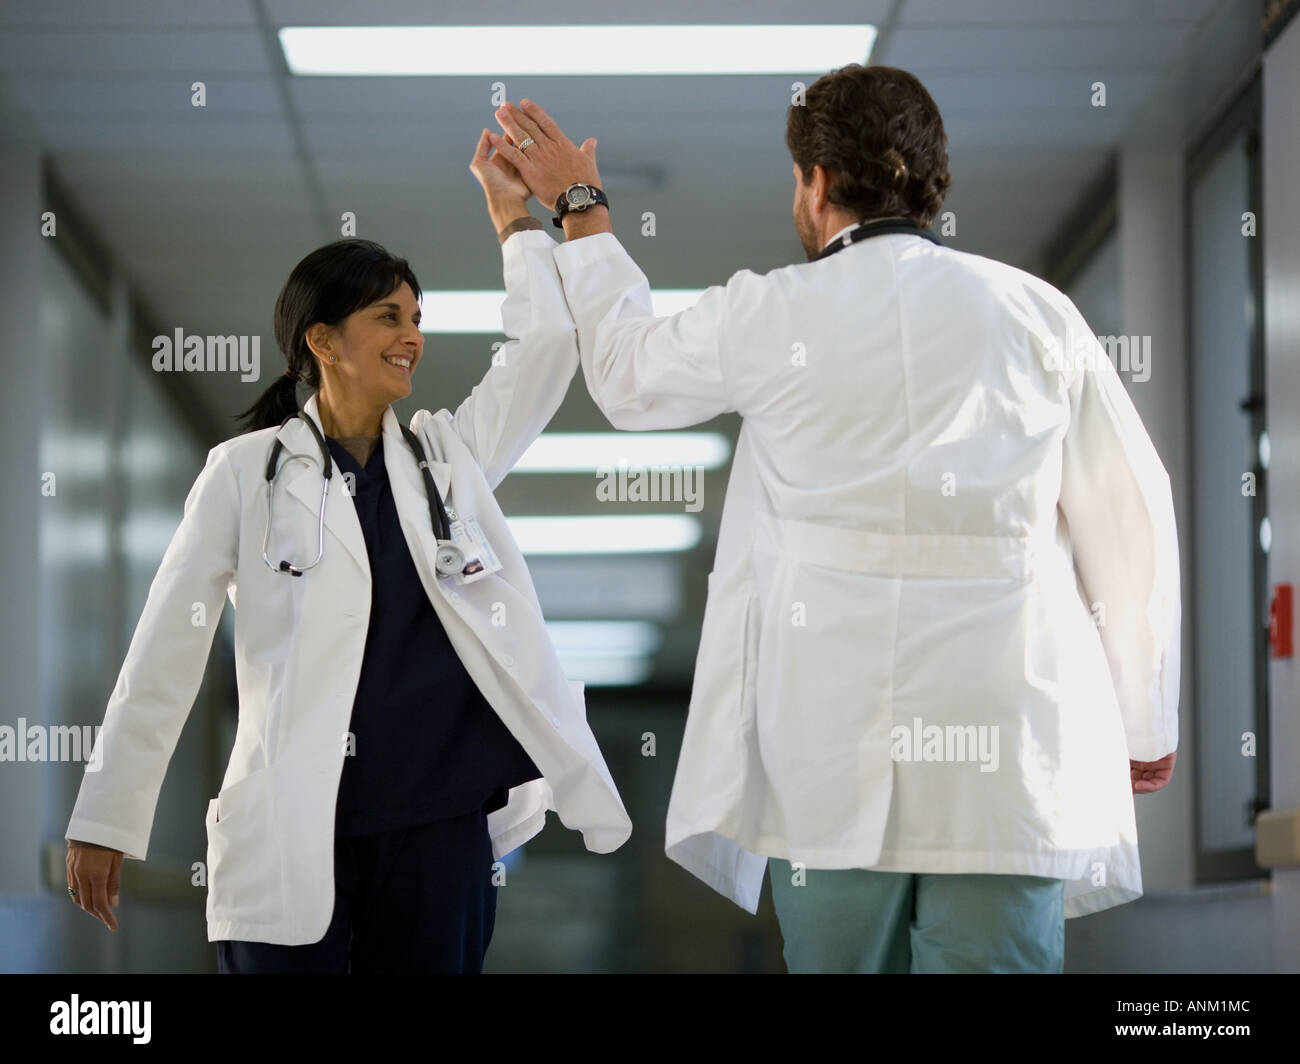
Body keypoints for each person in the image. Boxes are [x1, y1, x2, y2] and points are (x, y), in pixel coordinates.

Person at [487, 65, 1180, 974]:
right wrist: (1144, 724)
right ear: (932, 184)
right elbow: (1131, 524)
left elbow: (623, 374)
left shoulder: (775, 311)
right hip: (1005, 752)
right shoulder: (1037, 316)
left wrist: (579, 208)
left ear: (816, 185)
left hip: (827, 756)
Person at [63, 127, 631, 973]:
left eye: (417, 318)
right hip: (296, 823)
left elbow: (546, 352)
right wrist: (107, 817)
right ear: (322, 342)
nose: (412, 337)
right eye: (388, 317)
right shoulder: (244, 475)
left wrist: (516, 221)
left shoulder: (448, 458)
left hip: (438, 829)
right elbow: (164, 655)